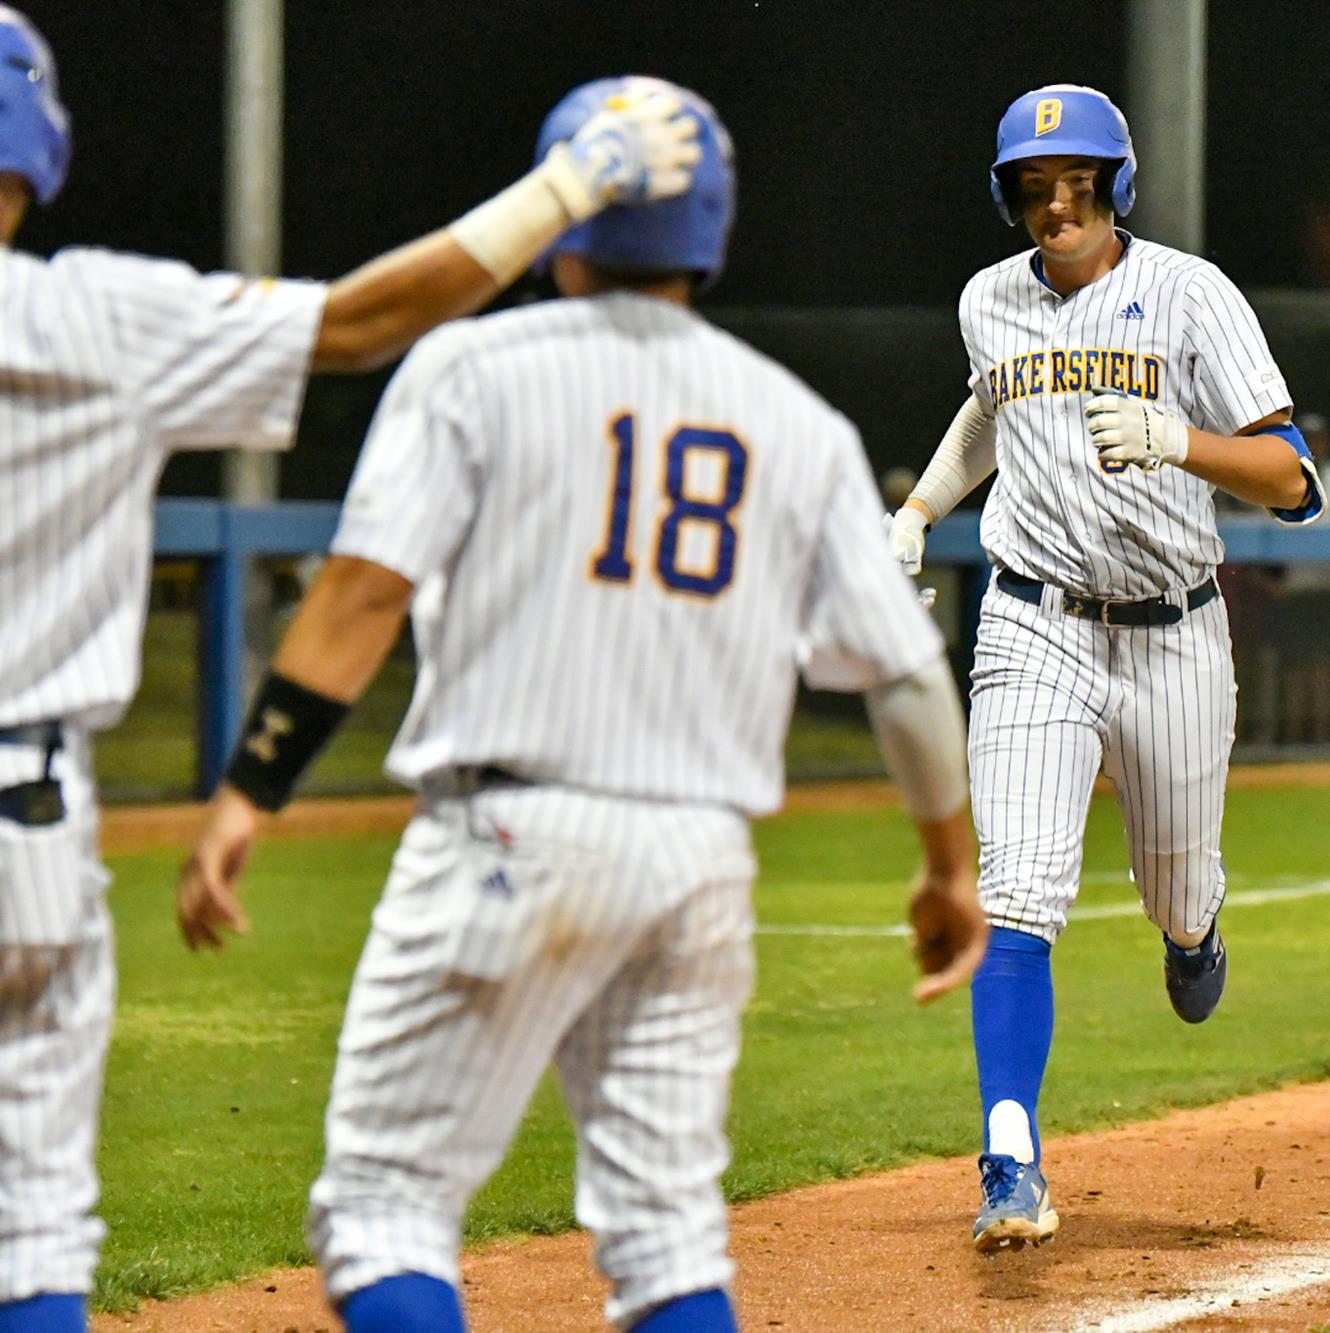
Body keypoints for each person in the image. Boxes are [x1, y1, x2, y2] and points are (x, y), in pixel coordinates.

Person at [171, 79, 985, 1333]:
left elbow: (360, 596)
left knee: (384, 1208)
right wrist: (946, 866)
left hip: (506, 836)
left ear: (561, 210)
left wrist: (248, 788)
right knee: (664, 1238)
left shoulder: (469, 365)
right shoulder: (797, 422)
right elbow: (909, 677)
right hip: (696, 863)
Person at [0, 11, 707, 1326]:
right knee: (26, 1228)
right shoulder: (90, 310)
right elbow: (362, 320)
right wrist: (565, 189)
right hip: (19, 830)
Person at [884, 83, 1324, 1253]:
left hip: (1174, 630)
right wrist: (921, 507)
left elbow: (1290, 477)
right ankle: (1009, 1160)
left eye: (1077, 181)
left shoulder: (1189, 292)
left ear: (1115, 185)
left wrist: (1178, 439)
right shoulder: (987, 300)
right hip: (1032, 621)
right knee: (1018, 890)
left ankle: (1192, 929)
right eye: (1034, 186)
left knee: (1173, 887)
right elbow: (991, 410)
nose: (1056, 203)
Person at [1273, 412, 1330, 743]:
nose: (1314, 445)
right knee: (1294, 666)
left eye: (1319, 438)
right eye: (1308, 438)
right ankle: (1294, 737)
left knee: (1325, 664)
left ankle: (1322, 736)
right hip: (1293, 586)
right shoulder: (1279, 475)